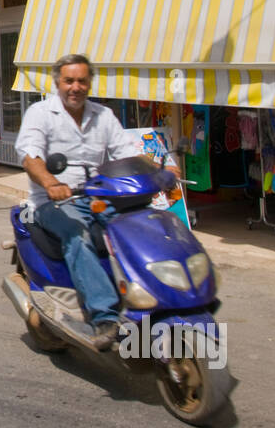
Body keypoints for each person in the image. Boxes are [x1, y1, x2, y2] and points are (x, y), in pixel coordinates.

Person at [14, 54, 171, 349]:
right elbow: (30, 156)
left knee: (142, 228)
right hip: (55, 202)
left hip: (101, 195)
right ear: (58, 82)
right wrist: (51, 182)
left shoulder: (103, 116)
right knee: (78, 235)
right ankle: (105, 316)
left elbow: (125, 151)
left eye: (82, 81)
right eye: (69, 80)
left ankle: (152, 297)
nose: (76, 87)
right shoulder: (40, 113)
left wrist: (160, 170)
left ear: (89, 83)